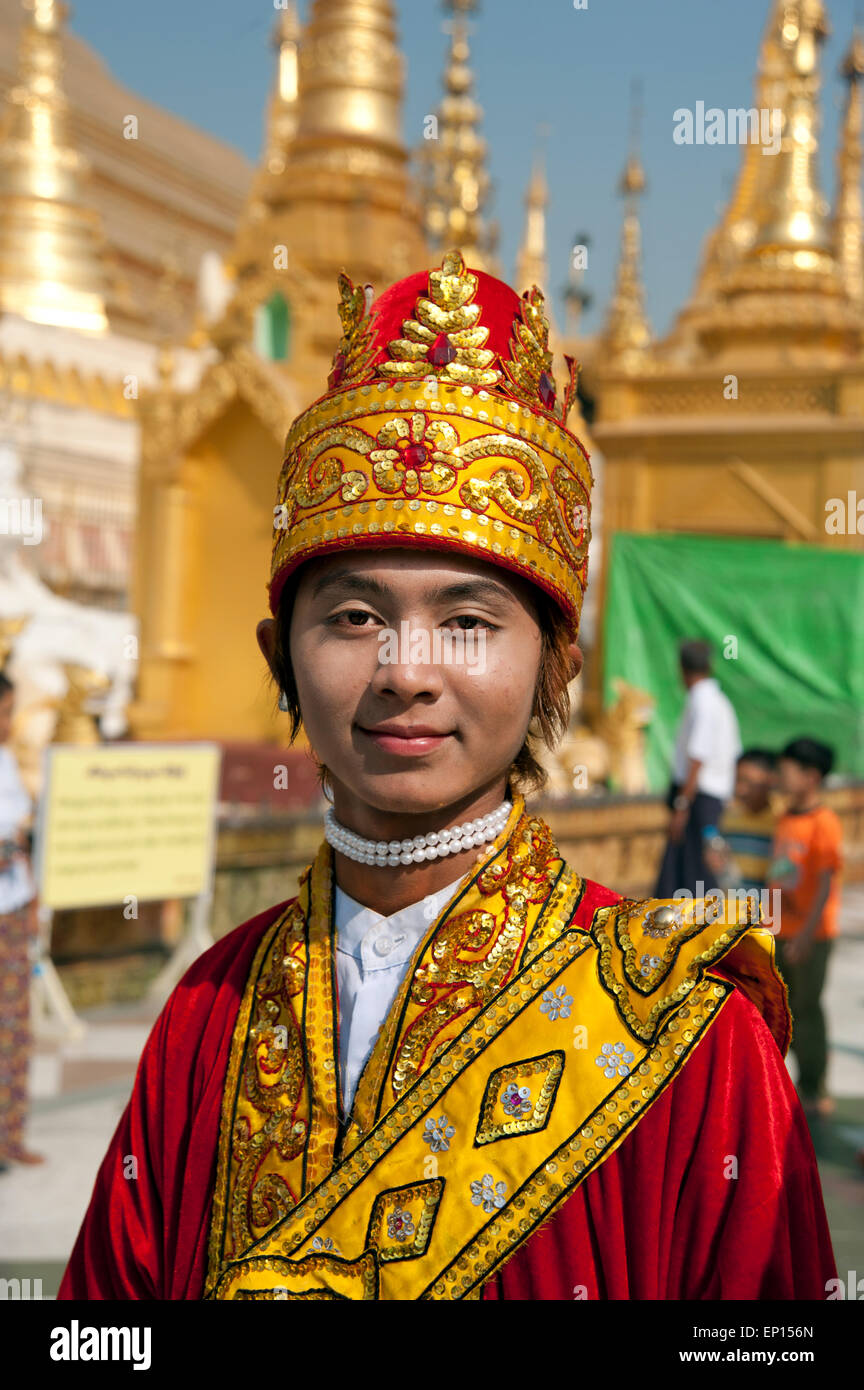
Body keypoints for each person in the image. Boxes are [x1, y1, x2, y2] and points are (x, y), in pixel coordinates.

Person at [59, 250, 834, 1300]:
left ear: (559, 661)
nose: (406, 672)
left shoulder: (690, 1038)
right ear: (275, 654)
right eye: (352, 616)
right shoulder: (209, 1014)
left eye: (469, 621)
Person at [768, 738, 842, 1118]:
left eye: (787, 770)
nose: (780, 776)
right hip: (780, 931)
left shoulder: (823, 822)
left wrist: (806, 934)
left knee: (807, 1009)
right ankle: (785, 1083)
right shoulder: (785, 818)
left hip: (810, 936)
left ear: (811, 777)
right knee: (782, 1009)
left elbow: (826, 882)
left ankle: (815, 1088)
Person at [655, 640, 741, 898]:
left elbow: (698, 757)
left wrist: (682, 805)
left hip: (698, 799)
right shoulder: (719, 701)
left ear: (682, 669)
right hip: (708, 798)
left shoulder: (703, 702)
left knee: (694, 876)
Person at [0, 669, 42, 1171]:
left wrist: (31, 908)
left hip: (11, 910)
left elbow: (19, 837)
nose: (8, 723)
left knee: (13, 1029)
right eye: (5, 712)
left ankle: (9, 1136)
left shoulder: (8, 761)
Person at [705, 749, 778, 901]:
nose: (741, 789)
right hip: (733, 911)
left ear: (770, 780)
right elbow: (724, 865)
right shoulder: (729, 818)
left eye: (749, 782)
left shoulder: (780, 821)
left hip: (769, 914)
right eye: (738, 780)